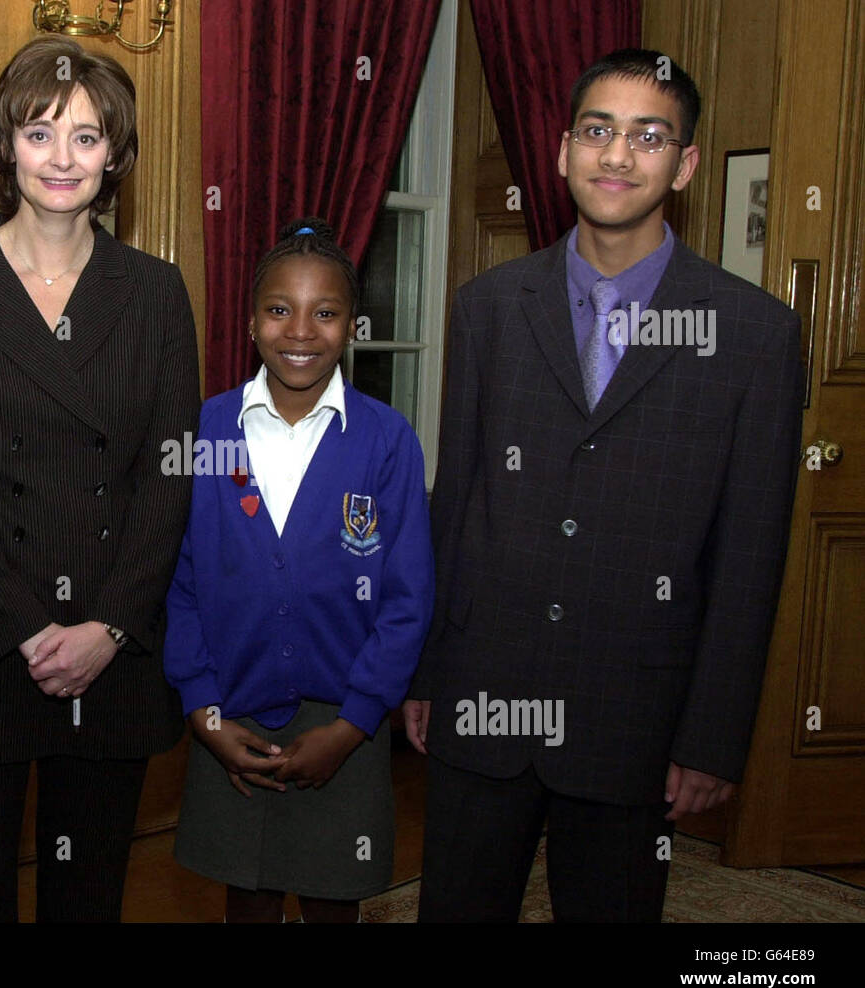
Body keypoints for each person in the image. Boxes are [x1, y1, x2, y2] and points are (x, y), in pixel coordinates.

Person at [405, 49, 804, 922]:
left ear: (685, 164)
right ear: (561, 151)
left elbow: (750, 558)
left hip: (637, 716)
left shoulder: (754, 336)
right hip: (486, 696)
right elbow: (455, 505)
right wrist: (429, 670)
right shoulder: (489, 308)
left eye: (648, 137)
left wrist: (712, 736)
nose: (618, 156)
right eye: (598, 131)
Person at [0, 36, 199, 922]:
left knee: (88, 896)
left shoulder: (155, 291)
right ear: (4, 144)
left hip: (112, 648)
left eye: (88, 138)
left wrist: (105, 625)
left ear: (117, 155)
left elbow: (167, 475)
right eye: (39, 132)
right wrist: (28, 629)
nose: (62, 159)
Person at [164, 218, 433, 923]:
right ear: (252, 321)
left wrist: (351, 726)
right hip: (232, 708)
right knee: (246, 897)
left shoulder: (386, 440)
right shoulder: (211, 432)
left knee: (330, 900)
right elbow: (182, 582)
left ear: (352, 325)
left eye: (327, 312)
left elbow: (407, 599)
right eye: (280, 309)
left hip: (345, 717)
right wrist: (204, 710)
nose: (301, 331)